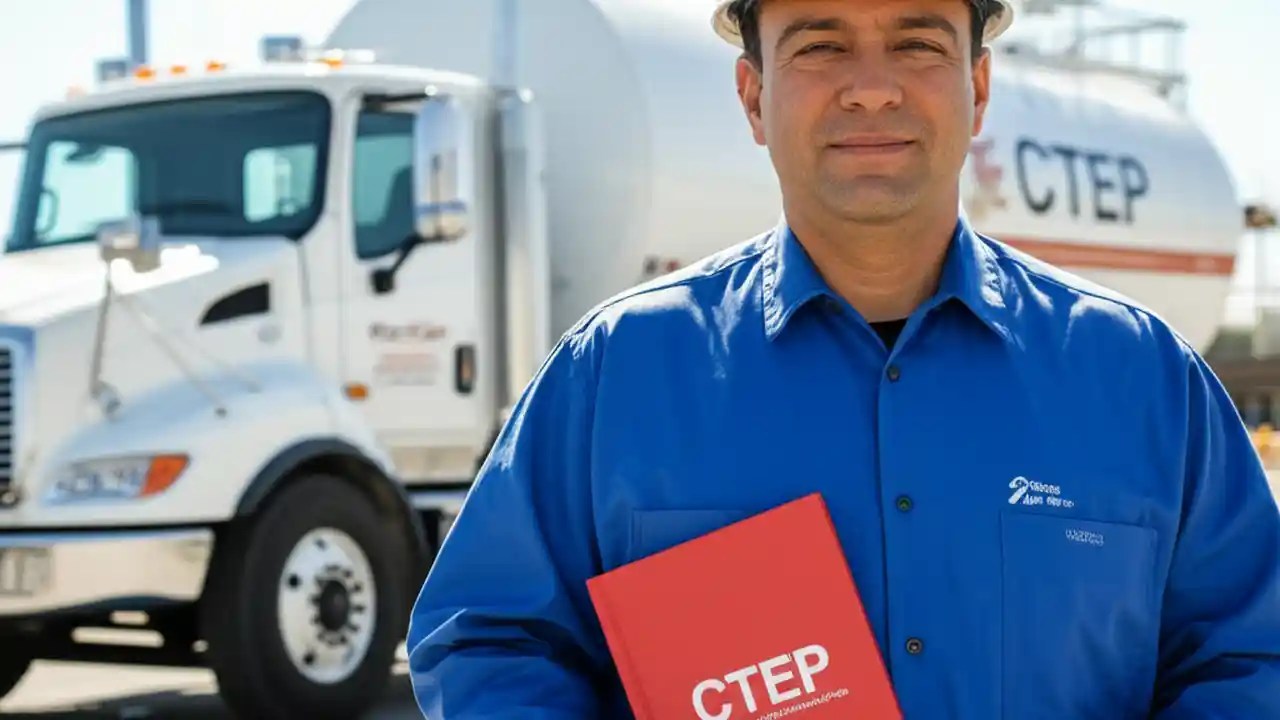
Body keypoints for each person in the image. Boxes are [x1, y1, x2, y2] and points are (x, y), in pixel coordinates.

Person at [407, 0, 1280, 717]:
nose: (870, 88)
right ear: (754, 96)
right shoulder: (617, 374)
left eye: (917, 43)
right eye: (821, 45)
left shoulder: (1142, 380)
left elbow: (1251, 657)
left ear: (978, 87)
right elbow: (491, 641)